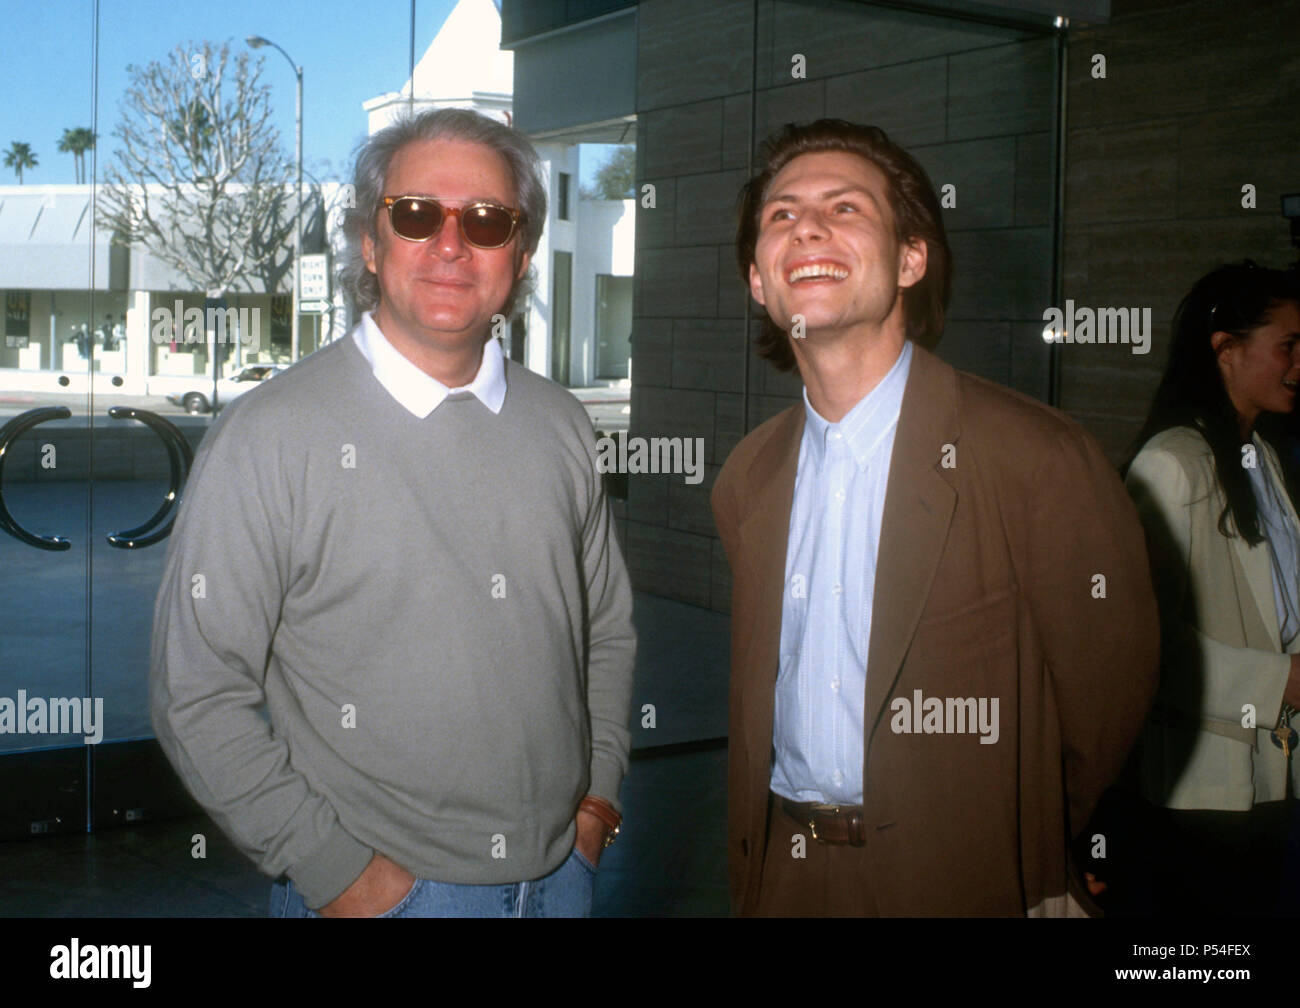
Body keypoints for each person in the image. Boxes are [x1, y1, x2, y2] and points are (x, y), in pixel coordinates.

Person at [150, 108, 636, 918]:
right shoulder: (269, 434)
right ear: (370, 245)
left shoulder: (560, 423)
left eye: (486, 221)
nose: (450, 245)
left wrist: (595, 807)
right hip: (387, 900)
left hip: (562, 883)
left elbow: (605, 631)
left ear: (518, 254)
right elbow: (195, 692)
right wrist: (342, 876)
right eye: (415, 215)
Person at [710, 118, 1160, 916]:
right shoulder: (748, 476)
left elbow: (1108, 702)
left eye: (845, 208)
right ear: (758, 279)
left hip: (962, 877)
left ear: (912, 258)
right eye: (781, 215)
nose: (806, 225)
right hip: (784, 873)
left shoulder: (1036, 456)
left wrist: (1039, 851)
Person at [1123, 262, 1300, 915]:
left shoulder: (1264, 461)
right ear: (1225, 349)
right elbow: (1141, 645)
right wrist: (1278, 681)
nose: (1299, 362)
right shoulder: (1173, 462)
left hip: (1264, 775)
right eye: (1287, 344)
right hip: (1196, 790)